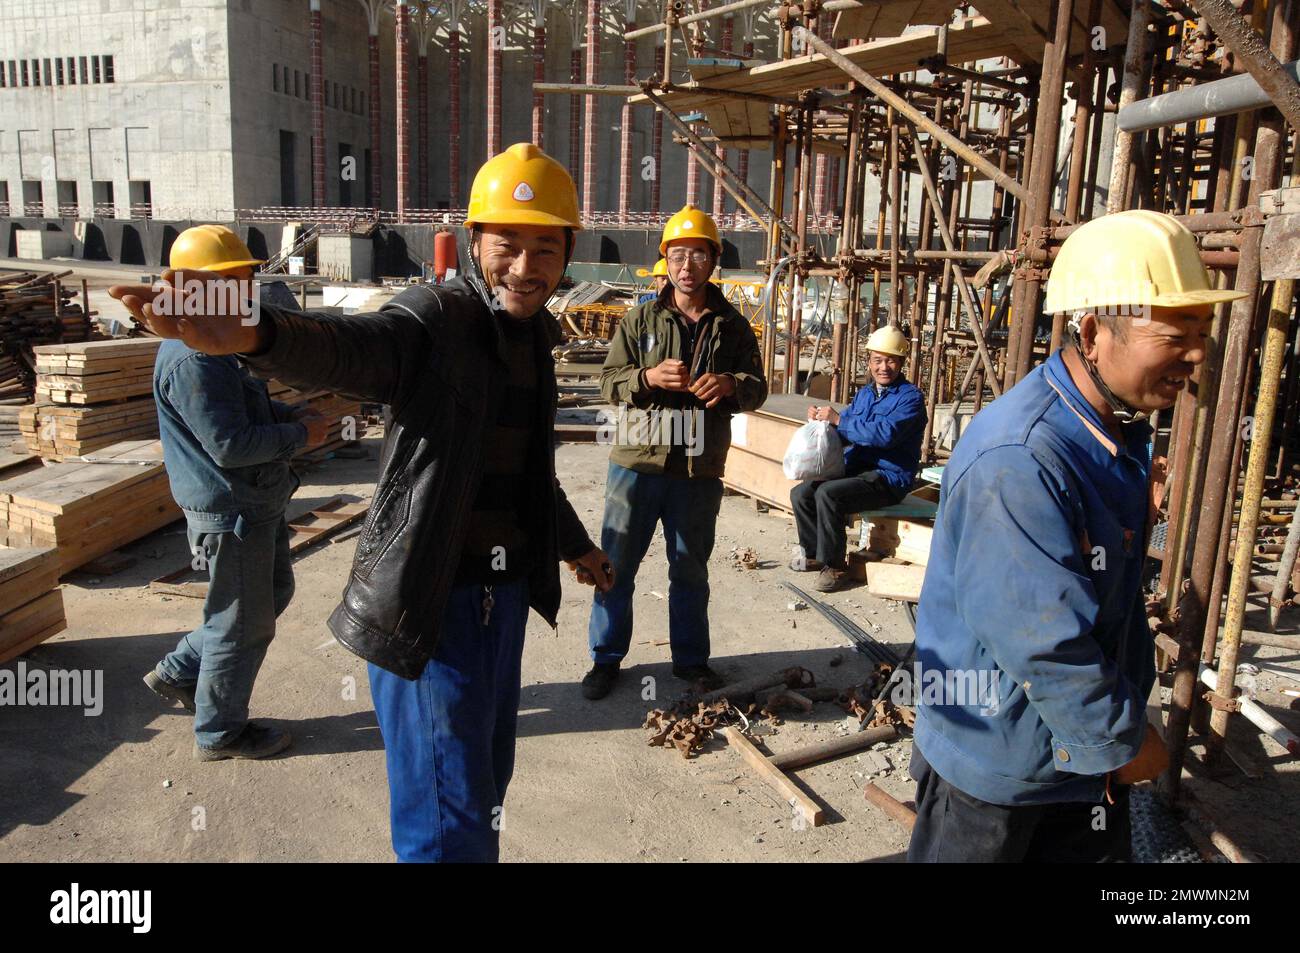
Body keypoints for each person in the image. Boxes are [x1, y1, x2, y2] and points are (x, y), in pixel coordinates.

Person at [111, 143, 613, 863]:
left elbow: (528, 471)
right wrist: (258, 334)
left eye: (546, 249)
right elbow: (358, 345)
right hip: (427, 605)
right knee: (447, 822)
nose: (526, 268)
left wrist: (575, 545)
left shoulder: (531, 333)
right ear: (474, 242)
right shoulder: (436, 317)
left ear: (569, 254)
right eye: (508, 246)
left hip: (498, 602)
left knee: (484, 788)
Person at [906, 210, 1245, 862]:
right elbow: (1043, 643)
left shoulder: (1113, 432)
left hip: (1072, 761)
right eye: (1176, 331)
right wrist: (1124, 740)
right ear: (1094, 333)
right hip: (1000, 771)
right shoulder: (1022, 455)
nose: (1199, 351)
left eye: (1203, 329)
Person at [142, 224, 331, 761]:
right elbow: (229, 444)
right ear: (189, 286)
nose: (243, 293)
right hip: (231, 513)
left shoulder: (213, 340)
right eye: (231, 282)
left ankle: (178, 673)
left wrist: (291, 413)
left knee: (266, 601)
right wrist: (302, 436)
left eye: (245, 281)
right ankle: (220, 732)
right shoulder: (193, 358)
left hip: (253, 504)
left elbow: (245, 410)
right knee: (241, 626)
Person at [582, 204, 767, 700]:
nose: (688, 266)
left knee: (689, 569)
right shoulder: (639, 318)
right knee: (616, 566)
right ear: (667, 260)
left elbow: (757, 386)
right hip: (637, 465)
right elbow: (607, 382)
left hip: (698, 469)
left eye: (699, 255)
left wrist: (730, 383)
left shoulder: (733, 325)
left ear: (713, 261)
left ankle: (690, 662)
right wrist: (645, 377)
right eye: (679, 255)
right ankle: (606, 659)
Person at [789, 325, 926, 592]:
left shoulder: (911, 398)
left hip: (889, 478)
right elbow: (845, 433)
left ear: (901, 362)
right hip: (858, 470)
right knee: (802, 493)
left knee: (829, 494)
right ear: (870, 362)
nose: (883, 367)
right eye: (877, 360)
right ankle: (816, 553)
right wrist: (821, 426)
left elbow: (885, 436)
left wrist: (838, 420)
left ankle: (836, 567)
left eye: (890, 360)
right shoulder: (865, 395)